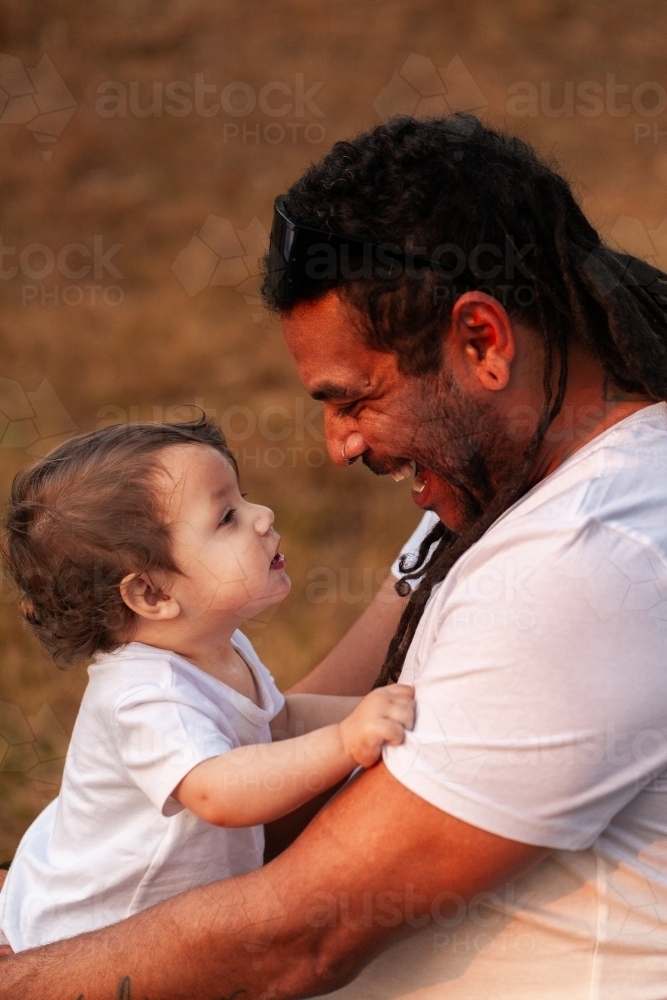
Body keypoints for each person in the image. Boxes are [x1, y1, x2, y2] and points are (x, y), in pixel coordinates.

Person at [3, 113, 667, 999]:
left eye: (353, 399)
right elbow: (270, 754)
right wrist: (61, 888)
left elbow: (291, 942)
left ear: (481, 340)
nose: (336, 447)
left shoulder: (587, 562)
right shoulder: (505, 482)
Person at [0, 419, 415, 952]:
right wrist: (344, 742)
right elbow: (220, 792)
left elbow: (279, 720)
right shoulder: (145, 697)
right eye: (227, 517)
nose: (263, 516)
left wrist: (377, 709)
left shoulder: (220, 645)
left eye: (244, 499)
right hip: (94, 932)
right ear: (150, 594)